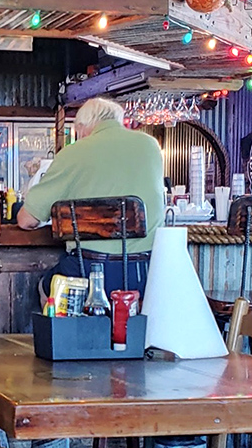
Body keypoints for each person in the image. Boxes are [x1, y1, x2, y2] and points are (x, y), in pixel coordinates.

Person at [17, 97, 164, 300]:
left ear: (84, 126)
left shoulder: (73, 152)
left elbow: (26, 220)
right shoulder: (150, 146)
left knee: (45, 287)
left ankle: (63, 321)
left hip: (87, 271)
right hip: (144, 274)